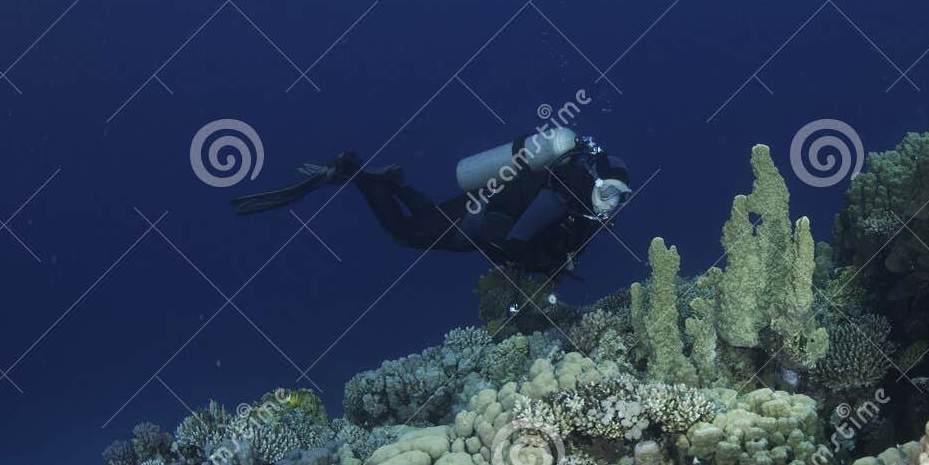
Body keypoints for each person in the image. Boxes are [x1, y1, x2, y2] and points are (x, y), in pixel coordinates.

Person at [230, 128, 632, 275]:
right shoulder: (559, 199)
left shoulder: (580, 207)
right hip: (470, 223)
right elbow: (515, 244)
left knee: (426, 216)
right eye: (610, 192)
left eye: (621, 199)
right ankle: (350, 172)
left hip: (474, 207)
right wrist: (528, 271)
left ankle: (388, 183)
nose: (612, 204)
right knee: (404, 234)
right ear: (594, 179)